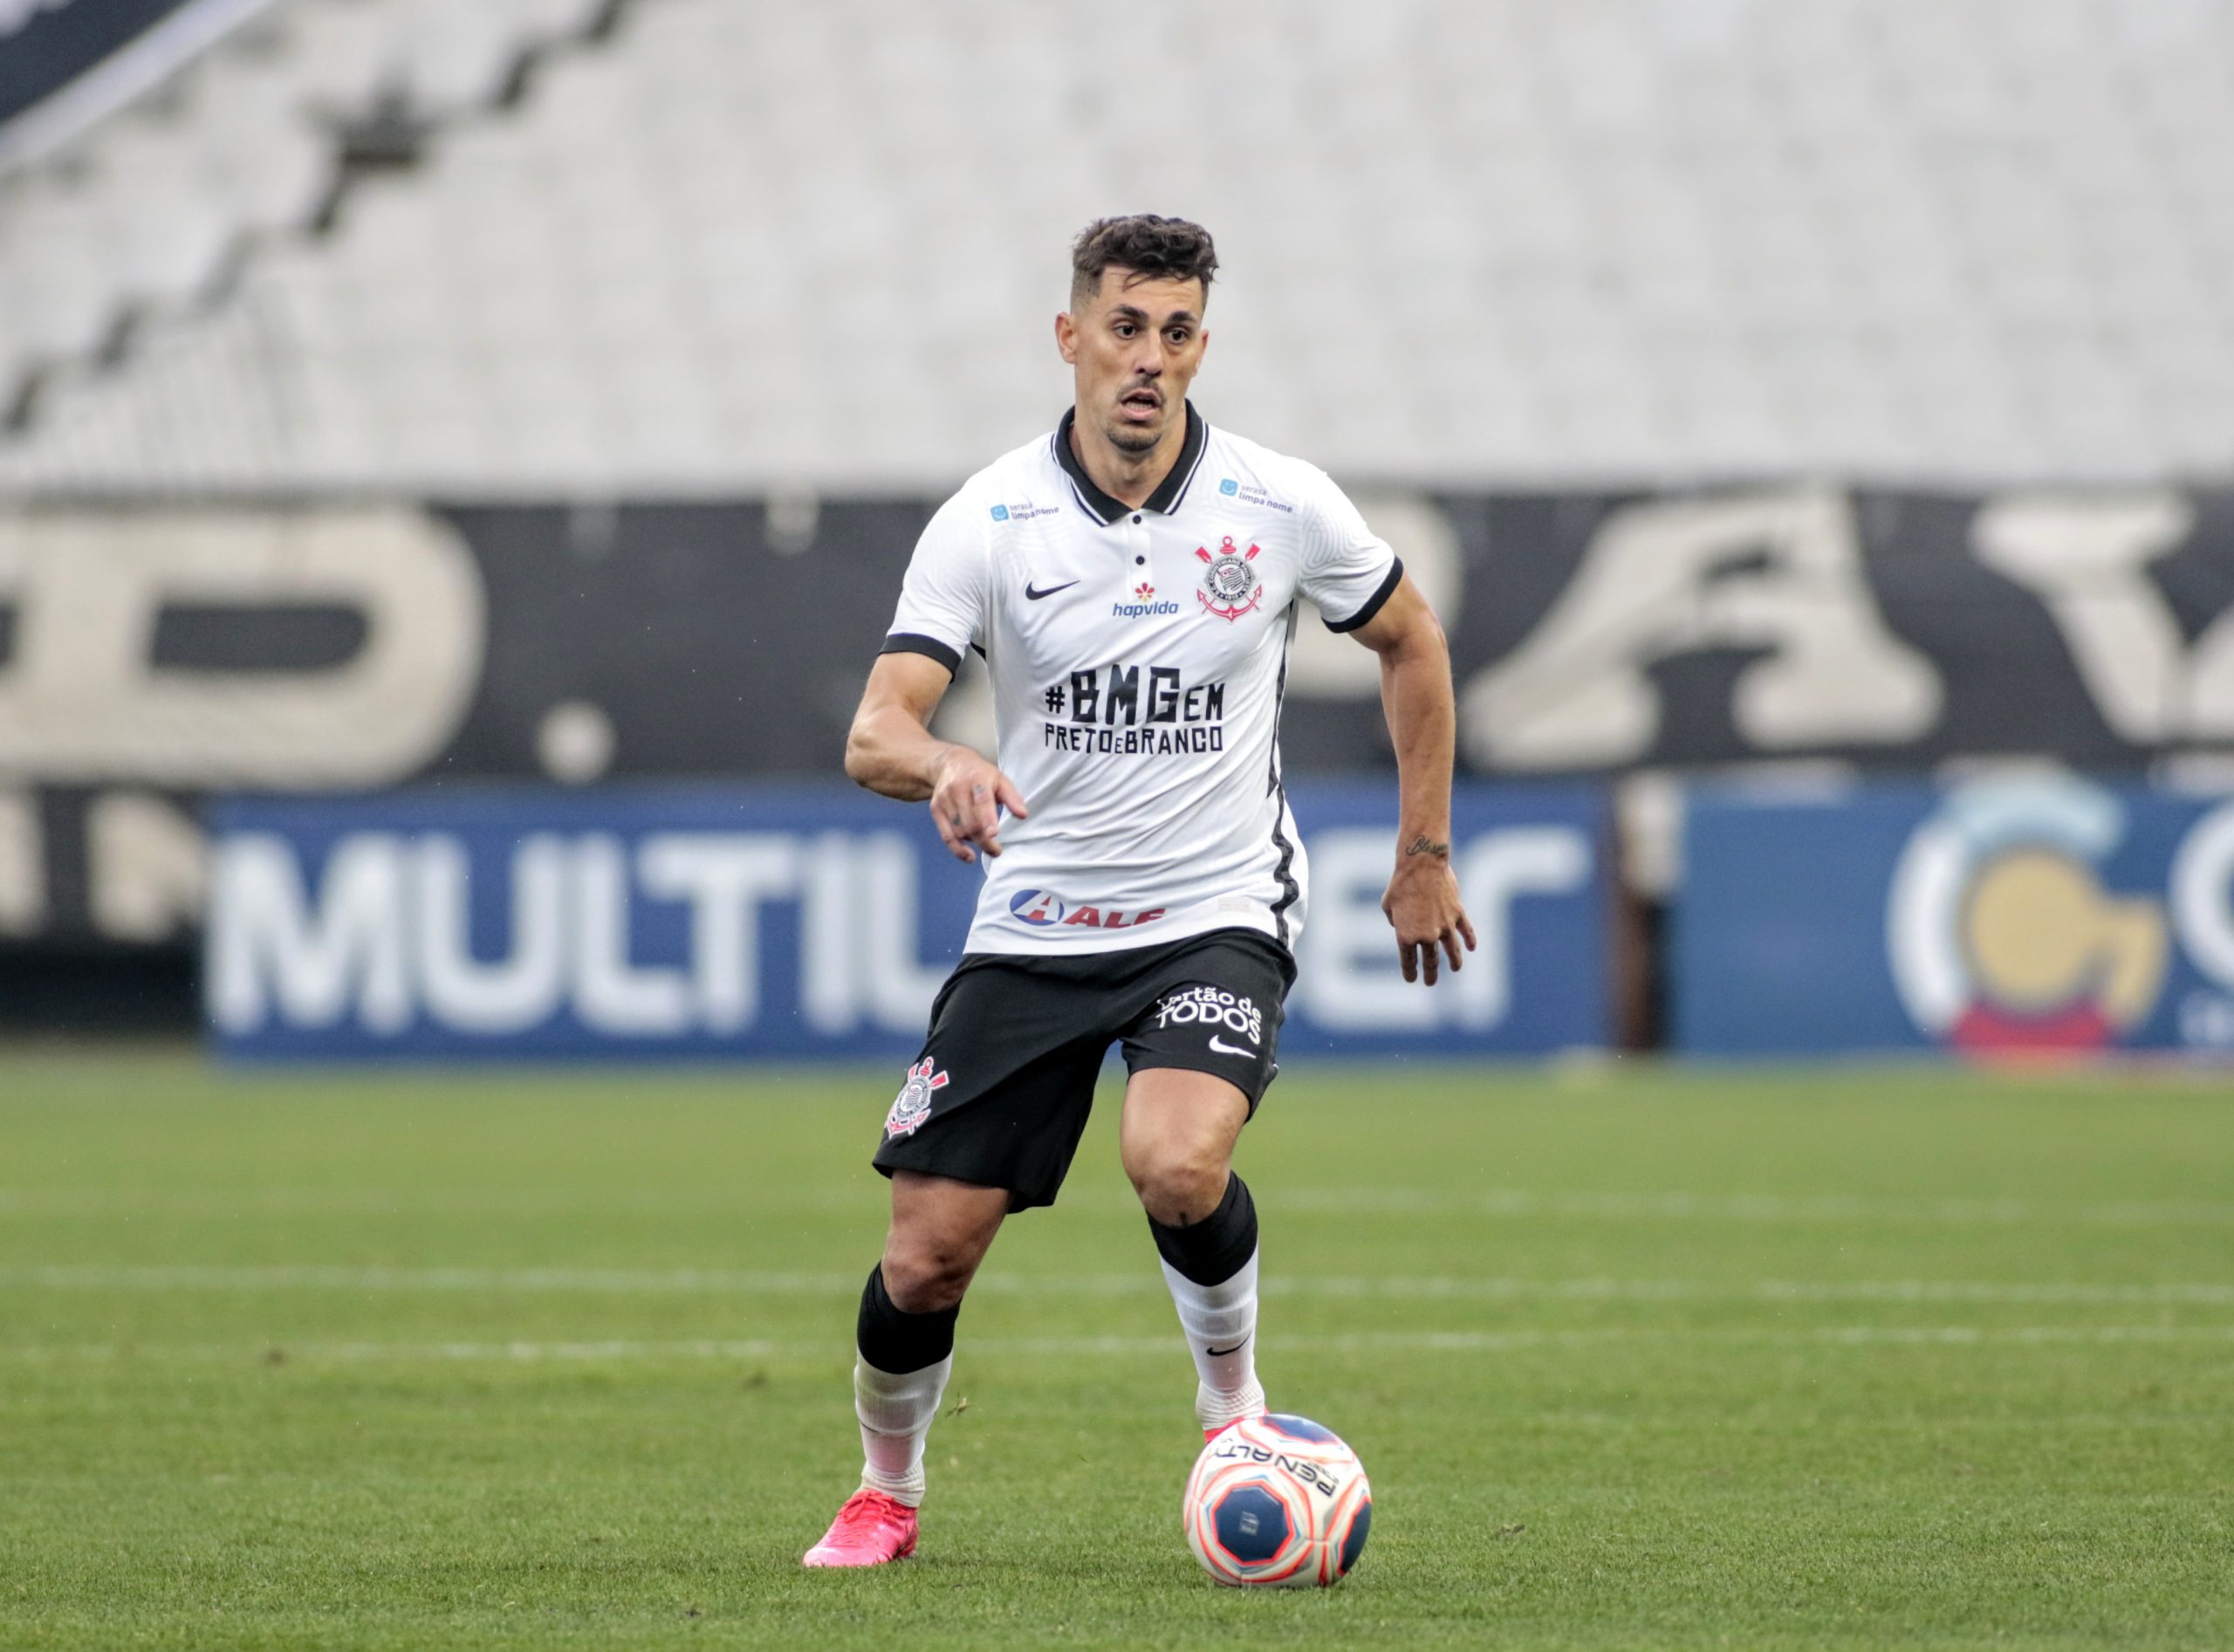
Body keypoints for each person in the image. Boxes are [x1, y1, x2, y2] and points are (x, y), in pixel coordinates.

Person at [803, 214, 1474, 1567]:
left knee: (1174, 1158)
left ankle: (1235, 1410)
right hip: (1040, 920)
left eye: (1176, 332)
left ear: (1201, 345)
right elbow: (877, 727)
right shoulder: (991, 518)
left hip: (1216, 908)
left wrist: (1423, 854)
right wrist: (944, 762)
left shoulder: (1279, 505)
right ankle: (888, 1488)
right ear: (1071, 338)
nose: (1148, 361)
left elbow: (1411, 640)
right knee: (926, 1255)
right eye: (1124, 328)